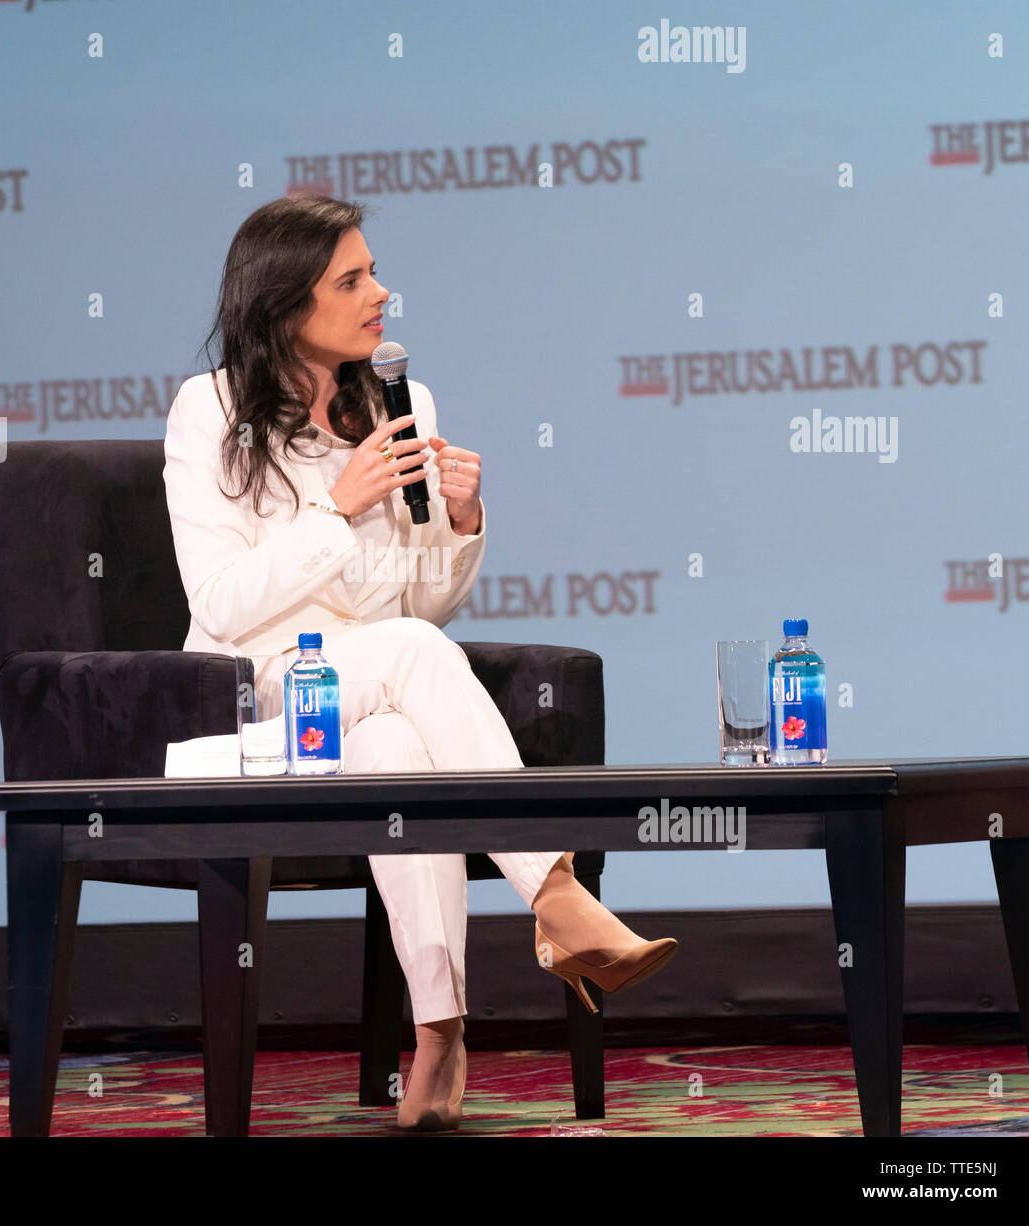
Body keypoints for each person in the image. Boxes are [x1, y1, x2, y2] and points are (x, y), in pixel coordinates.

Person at [162, 192, 677, 1132]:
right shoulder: (209, 412)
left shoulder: (400, 400)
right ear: (284, 304)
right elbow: (221, 606)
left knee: (400, 730)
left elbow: (418, 604)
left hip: (372, 699)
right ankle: (558, 899)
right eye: (353, 280)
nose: (381, 293)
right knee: (410, 659)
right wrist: (336, 509)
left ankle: (439, 1032)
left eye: (374, 272)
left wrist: (464, 524)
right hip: (265, 705)